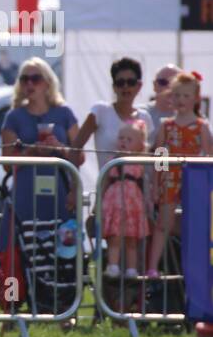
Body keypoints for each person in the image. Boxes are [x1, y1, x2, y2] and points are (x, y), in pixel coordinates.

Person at [0, 57, 83, 226]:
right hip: (25, 191)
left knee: (61, 247)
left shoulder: (64, 113)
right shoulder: (14, 117)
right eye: (24, 79)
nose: (29, 84)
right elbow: (6, 164)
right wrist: (32, 151)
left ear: (47, 82)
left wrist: (59, 148)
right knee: (24, 246)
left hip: (60, 190)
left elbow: (80, 157)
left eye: (35, 79)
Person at [146, 71, 213, 277]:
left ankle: (197, 266)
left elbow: (209, 155)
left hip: (194, 178)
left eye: (186, 96)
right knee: (163, 223)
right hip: (170, 177)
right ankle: (152, 267)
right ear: (171, 97)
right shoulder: (166, 126)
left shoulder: (201, 126)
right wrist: (156, 183)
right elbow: (160, 155)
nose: (181, 100)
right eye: (177, 95)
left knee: (196, 224)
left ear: (195, 98)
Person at [72, 57, 150, 175]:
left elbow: (159, 152)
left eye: (131, 82)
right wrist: (74, 186)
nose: (125, 87)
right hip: (107, 189)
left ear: (139, 86)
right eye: (120, 83)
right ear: (114, 87)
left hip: (138, 190)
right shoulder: (100, 111)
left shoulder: (145, 118)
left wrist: (160, 184)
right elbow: (76, 147)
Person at [98, 121, 151, 279]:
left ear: (140, 145)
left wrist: (149, 202)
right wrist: (98, 203)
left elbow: (146, 183)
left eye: (129, 139)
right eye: (121, 138)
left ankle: (131, 268)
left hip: (132, 204)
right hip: (114, 203)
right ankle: (113, 265)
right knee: (114, 237)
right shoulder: (112, 160)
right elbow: (105, 181)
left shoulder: (141, 162)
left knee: (131, 239)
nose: (124, 142)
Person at [142, 63, 182, 138]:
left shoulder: (191, 117)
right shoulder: (139, 114)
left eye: (175, 83)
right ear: (154, 85)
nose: (169, 88)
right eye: (163, 82)